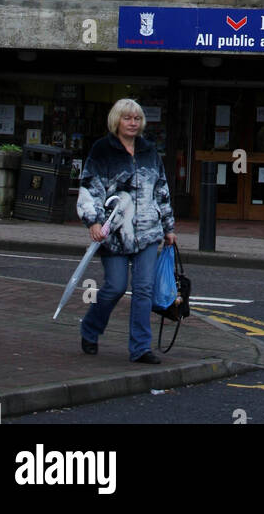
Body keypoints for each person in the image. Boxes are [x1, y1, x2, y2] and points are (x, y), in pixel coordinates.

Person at [77, 98, 177, 364]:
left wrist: (168, 227)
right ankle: (90, 328)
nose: (132, 123)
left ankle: (141, 348)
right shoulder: (102, 150)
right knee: (115, 286)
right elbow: (90, 188)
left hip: (148, 232)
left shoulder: (149, 151)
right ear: (116, 121)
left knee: (144, 289)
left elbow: (161, 190)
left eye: (137, 119)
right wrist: (94, 222)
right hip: (115, 233)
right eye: (127, 118)